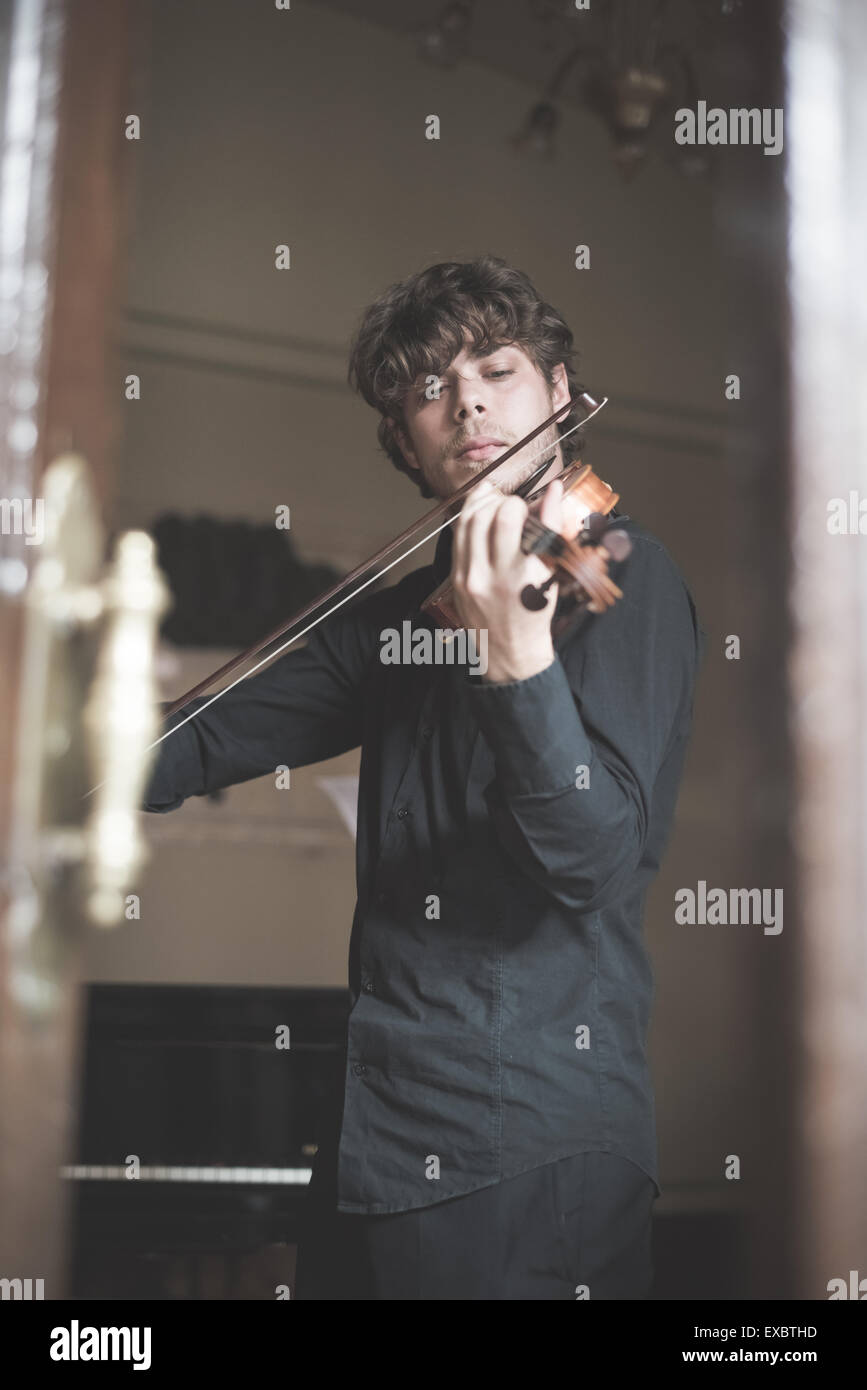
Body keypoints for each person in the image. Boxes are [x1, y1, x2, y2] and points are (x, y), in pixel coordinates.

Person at [143, 255, 706, 1300]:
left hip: (532, 1147)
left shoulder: (617, 570)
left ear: (561, 394)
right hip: (371, 1144)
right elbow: (200, 740)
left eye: (497, 368)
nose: (470, 401)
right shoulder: (403, 621)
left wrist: (518, 665)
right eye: (430, 389)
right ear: (407, 439)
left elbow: (591, 860)